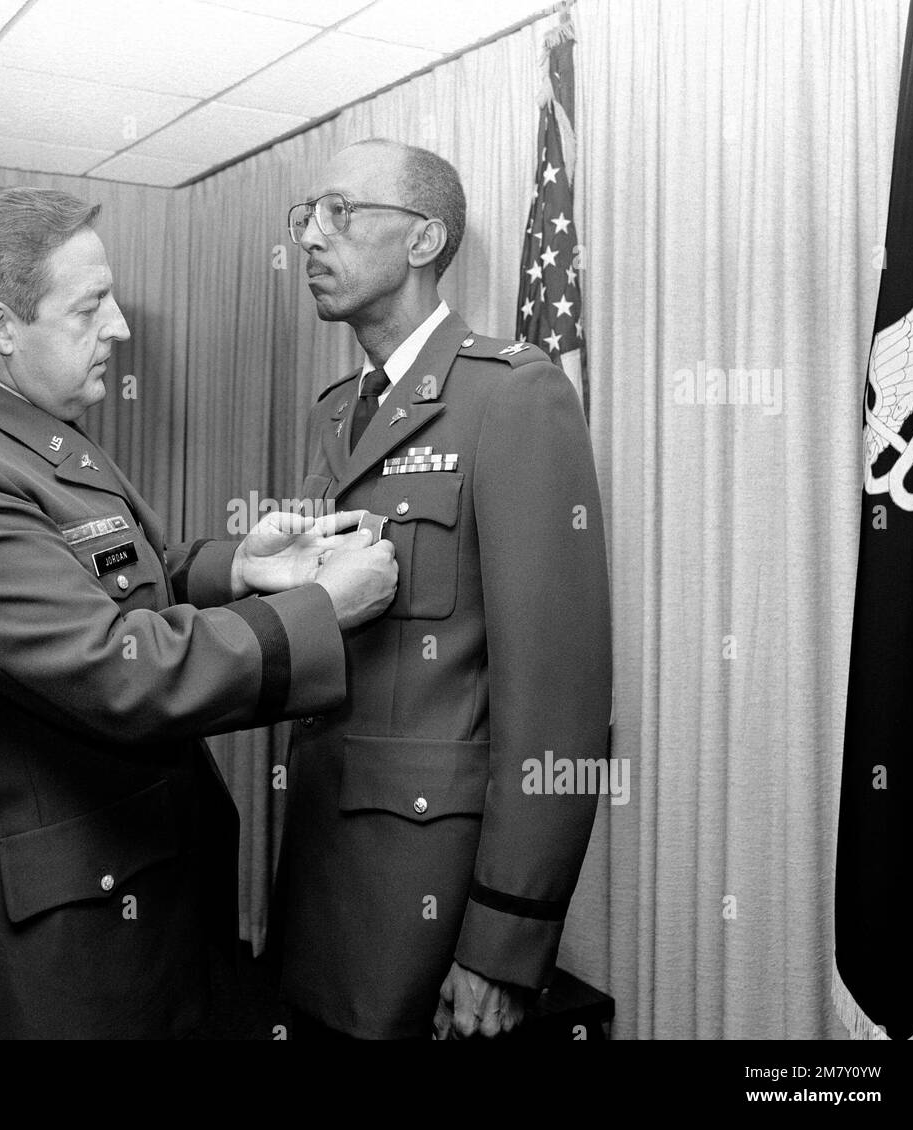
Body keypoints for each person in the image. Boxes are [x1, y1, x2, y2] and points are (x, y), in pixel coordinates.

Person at [0, 185, 397, 1039]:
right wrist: (320, 610)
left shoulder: (39, 430)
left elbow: (131, 575)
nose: (119, 326)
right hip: (58, 944)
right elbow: (118, 669)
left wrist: (245, 566)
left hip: (140, 891)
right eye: (90, 306)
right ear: (4, 329)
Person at [273, 139, 612, 1040]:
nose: (311, 236)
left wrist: (504, 940)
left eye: (340, 213)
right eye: (307, 216)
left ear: (424, 239)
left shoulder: (512, 395)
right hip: (319, 864)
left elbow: (558, 701)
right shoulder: (336, 409)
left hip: (427, 892)